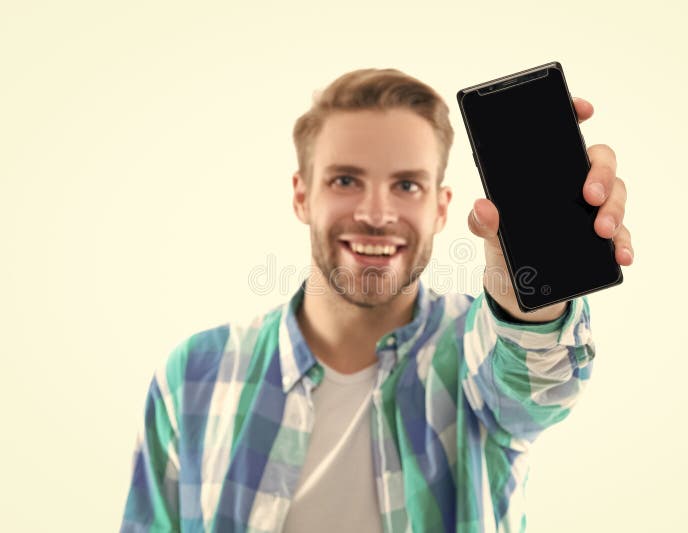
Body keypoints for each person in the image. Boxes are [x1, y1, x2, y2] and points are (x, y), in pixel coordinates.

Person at [120, 68, 633, 533]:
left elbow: (538, 384)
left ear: (440, 207)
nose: (376, 212)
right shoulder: (194, 375)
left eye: (407, 184)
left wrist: (530, 290)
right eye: (345, 180)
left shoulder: (474, 353)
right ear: (302, 196)